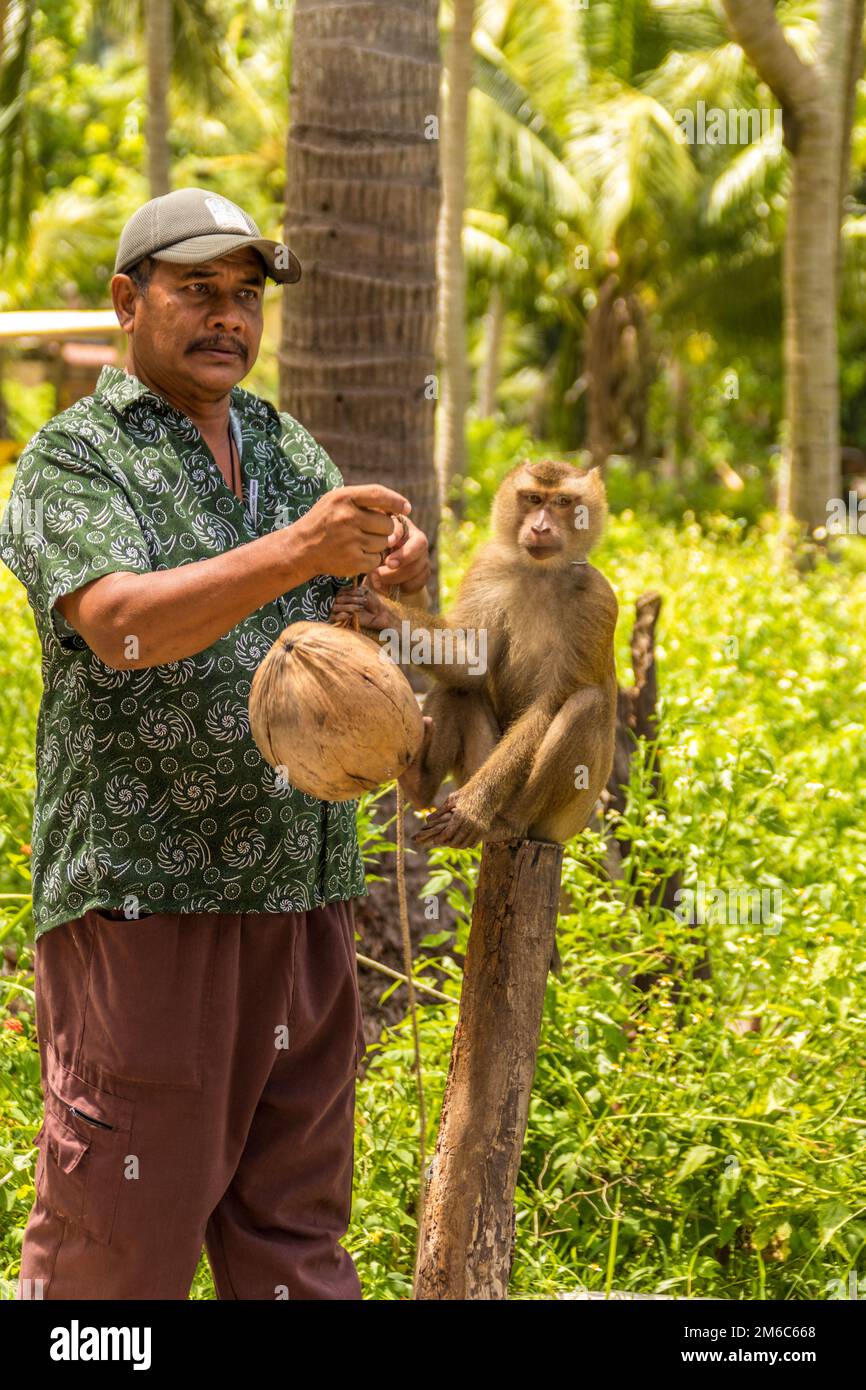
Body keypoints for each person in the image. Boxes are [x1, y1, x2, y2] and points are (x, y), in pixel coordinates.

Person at [0, 187, 431, 1300]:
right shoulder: (73, 458)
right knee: (120, 1241)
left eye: (245, 298)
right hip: (149, 903)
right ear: (127, 300)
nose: (227, 318)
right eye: (197, 291)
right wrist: (300, 549)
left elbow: (340, 607)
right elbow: (121, 623)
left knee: (292, 1235)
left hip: (302, 893)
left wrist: (386, 587)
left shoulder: (283, 444)